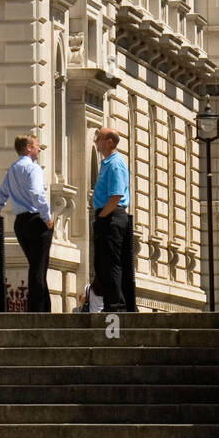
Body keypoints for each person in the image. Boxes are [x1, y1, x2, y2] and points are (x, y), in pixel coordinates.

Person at [0, 134, 53, 313]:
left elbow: (2, 193)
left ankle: (45, 306)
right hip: (36, 220)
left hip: (20, 222)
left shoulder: (12, 169)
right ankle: (37, 309)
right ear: (28, 147)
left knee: (37, 264)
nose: (39, 149)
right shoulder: (33, 168)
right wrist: (47, 216)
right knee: (38, 266)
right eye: (36, 146)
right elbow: (37, 193)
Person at [92, 128, 130, 313]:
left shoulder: (115, 164)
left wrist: (102, 217)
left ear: (109, 142)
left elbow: (115, 195)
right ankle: (110, 303)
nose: (96, 141)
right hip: (107, 215)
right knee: (102, 264)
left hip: (111, 216)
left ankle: (115, 306)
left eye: (99, 138)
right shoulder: (106, 163)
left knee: (110, 263)